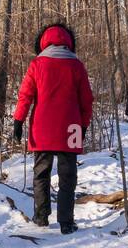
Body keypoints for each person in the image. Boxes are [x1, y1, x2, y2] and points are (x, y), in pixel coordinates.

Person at [13, 23, 93, 234]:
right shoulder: (77, 65)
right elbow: (87, 100)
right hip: (71, 127)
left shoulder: (37, 64)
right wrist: (83, 125)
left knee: (41, 173)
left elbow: (25, 95)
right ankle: (66, 222)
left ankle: (41, 217)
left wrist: (18, 121)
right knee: (68, 177)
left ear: (43, 41)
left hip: (42, 127)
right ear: (69, 41)